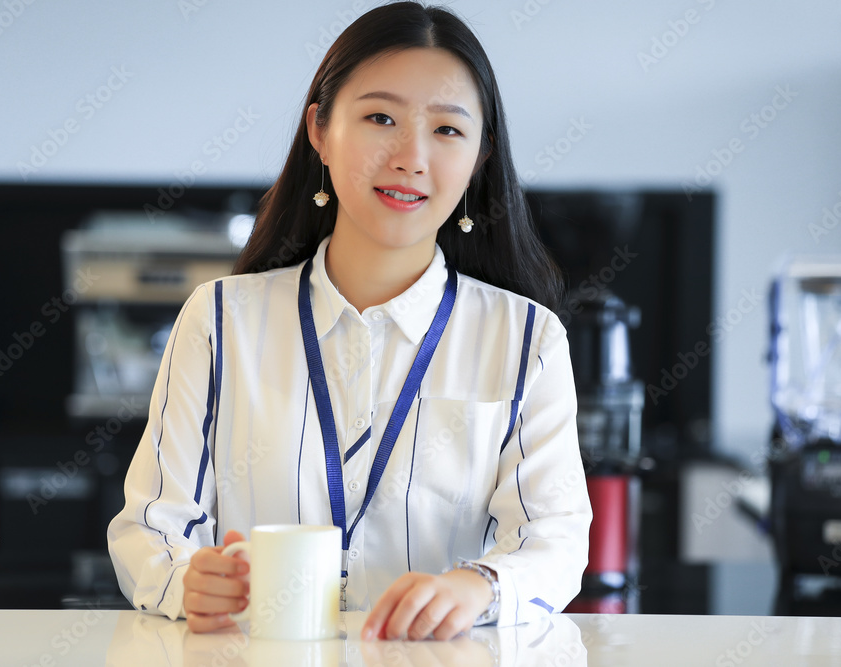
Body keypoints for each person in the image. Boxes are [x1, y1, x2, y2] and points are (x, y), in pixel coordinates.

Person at [107, 0, 591, 642]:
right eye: (380, 117)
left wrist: (476, 587)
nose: (411, 156)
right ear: (320, 130)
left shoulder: (526, 338)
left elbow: (554, 544)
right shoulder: (221, 319)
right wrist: (190, 580)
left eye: (447, 130)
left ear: (479, 157)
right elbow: (149, 530)